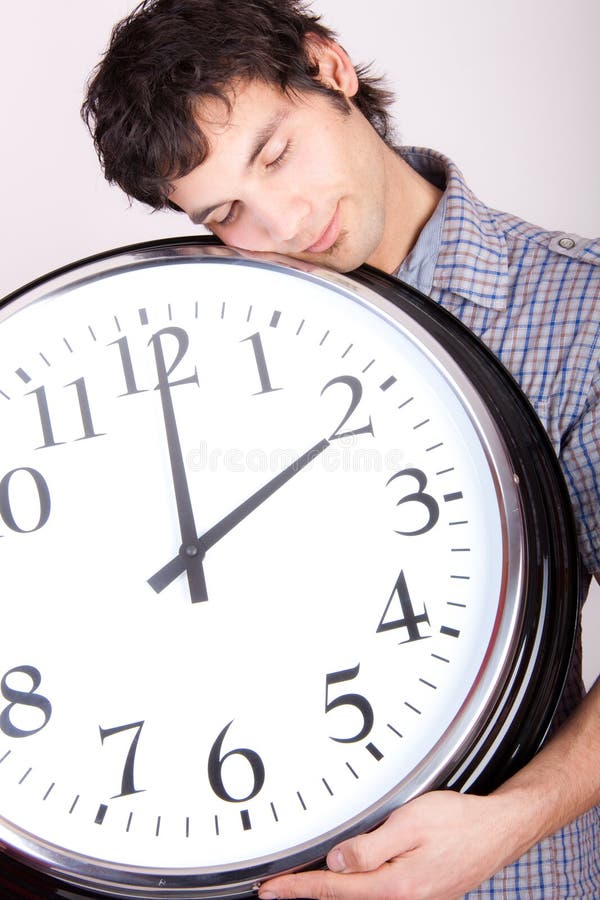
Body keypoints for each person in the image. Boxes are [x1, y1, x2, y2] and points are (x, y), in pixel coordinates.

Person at [82, 1, 600, 896]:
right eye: (227, 212)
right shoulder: (203, 335)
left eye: (276, 154)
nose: (283, 223)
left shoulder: (577, 311)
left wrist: (509, 821)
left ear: (330, 68)